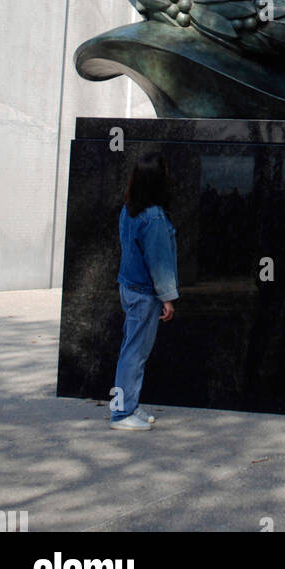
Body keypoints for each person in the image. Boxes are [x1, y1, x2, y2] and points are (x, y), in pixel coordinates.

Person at [110, 153, 179, 431]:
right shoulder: (154, 217)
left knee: (131, 350)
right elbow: (159, 262)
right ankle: (122, 413)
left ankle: (128, 405)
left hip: (129, 287)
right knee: (134, 353)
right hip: (144, 293)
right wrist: (168, 298)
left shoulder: (129, 209)